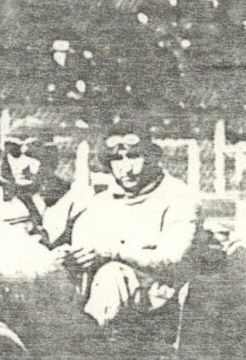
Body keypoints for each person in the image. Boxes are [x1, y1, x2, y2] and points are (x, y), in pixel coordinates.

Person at [60, 119, 198, 334]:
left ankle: (90, 342)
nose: (127, 168)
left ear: (151, 157)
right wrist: (73, 258)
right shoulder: (101, 202)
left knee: (112, 274)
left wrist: (113, 252)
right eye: (117, 159)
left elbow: (173, 258)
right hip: (105, 298)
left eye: (134, 157)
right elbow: (83, 245)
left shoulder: (177, 196)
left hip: (161, 300)